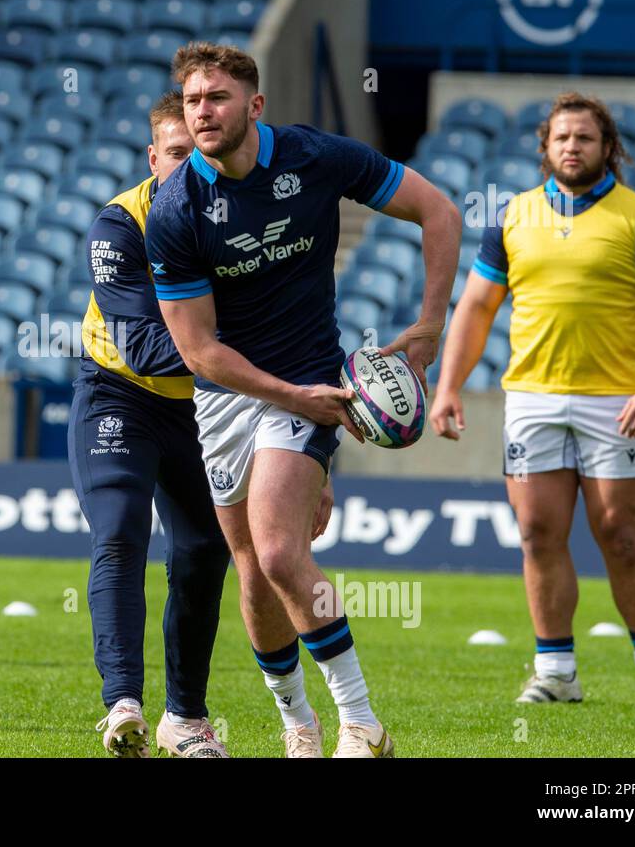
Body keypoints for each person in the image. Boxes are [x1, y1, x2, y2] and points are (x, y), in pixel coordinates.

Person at [146, 42, 460, 756]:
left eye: (218, 97)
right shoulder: (175, 210)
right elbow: (199, 353)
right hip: (230, 394)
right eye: (193, 100)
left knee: (284, 553)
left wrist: (431, 325)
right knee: (252, 570)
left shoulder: (315, 159)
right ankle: (297, 724)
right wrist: (288, 394)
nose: (203, 111)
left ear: (255, 105)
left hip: (313, 379)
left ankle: (361, 721)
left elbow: (439, 212)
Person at [431, 92, 635, 708]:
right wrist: (446, 386)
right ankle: (555, 673)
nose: (572, 147)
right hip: (531, 401)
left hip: (616, 404)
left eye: (585, 138)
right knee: (537, 533)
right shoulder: (514, 216)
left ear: (608, 148)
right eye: (562, 138)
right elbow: (474, 309)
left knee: (621, 535)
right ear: (545, 148)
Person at [70, 90, 233, 757]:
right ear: (153, 157)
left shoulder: (238, 221)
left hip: (205, 407)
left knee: (202, 554)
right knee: (120, 534)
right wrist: (257, 358)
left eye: (201, 154)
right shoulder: (121, 224)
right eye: (175, 154)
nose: (189, 165)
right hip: (122, 396)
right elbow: (144, 346)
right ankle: (123, 706)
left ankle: (185, 721)